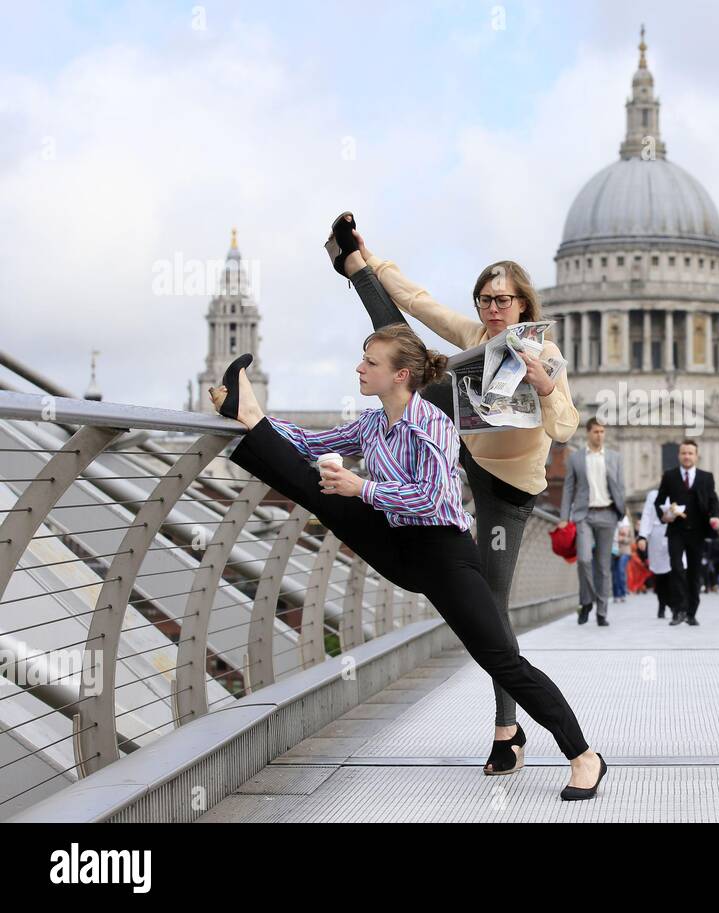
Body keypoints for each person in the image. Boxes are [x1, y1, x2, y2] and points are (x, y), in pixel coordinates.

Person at [207, 329, 605, 799]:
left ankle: (583, 756)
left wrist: (363, 489)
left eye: (370, 363)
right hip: (396, 542)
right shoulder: (372, 424)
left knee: (502, 660)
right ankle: (248, 414)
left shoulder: (431, 424)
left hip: (444, 554)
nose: (359, 368)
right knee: (320, 492)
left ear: (400, 375)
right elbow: (312, 444)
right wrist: (266, 425)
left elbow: (433, 497)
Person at [331, 217, 581, 776]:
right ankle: (351, 266)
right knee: (407, 350)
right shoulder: (475, 338)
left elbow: (565, 430)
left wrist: (542, 388)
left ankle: (507, 730)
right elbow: (419, 303)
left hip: (509, 489)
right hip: (470, 448)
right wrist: (370, 261)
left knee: (491, 610)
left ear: (523, 305)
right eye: (484, 300)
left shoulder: (549, 358)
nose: (491, 309)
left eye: (501, 300)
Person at [560, 418, 627, 626]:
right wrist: (564, 518)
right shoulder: (576, 458)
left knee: (603, 566)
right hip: (584, 515)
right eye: (596, 431)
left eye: (603, 432)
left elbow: (620, 487)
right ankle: (587, 601)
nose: (600, 435)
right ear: (588, 433)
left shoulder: (615, 457)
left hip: (608, 515)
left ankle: (602, 612)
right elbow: (568, 488)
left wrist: (620, 512)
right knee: (584, 559)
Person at [656, 441, 719, 625]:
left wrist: (715, 517)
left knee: (694, 572)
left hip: (698, 531)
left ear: (696, 456)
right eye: (684, 453)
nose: (687, 456)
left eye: (690, 453)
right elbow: (659, 500)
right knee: (676, 569)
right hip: (676, 530)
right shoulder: (669, 476)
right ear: (679, 455)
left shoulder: (706, 477)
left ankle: (692, 612)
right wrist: (664, 515)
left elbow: (713, 500)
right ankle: (678, 610)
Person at [638, 487, 675, 618]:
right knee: (660, 575)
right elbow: (647, 515)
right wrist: (643, 536)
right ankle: (662, 605)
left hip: (674, 535)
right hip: (656, 536)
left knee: (673, 573)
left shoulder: (679, 492)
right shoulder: (653, 495)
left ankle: (673, 604)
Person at [612, 513, 633, 603]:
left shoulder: (626, 522)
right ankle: (616, 594)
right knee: (614, 573)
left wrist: (622, 539)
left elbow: (631, 539)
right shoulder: (611, 520)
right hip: (613, 551)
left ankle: (623, 593)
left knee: (620, 570)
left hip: (625, 551)